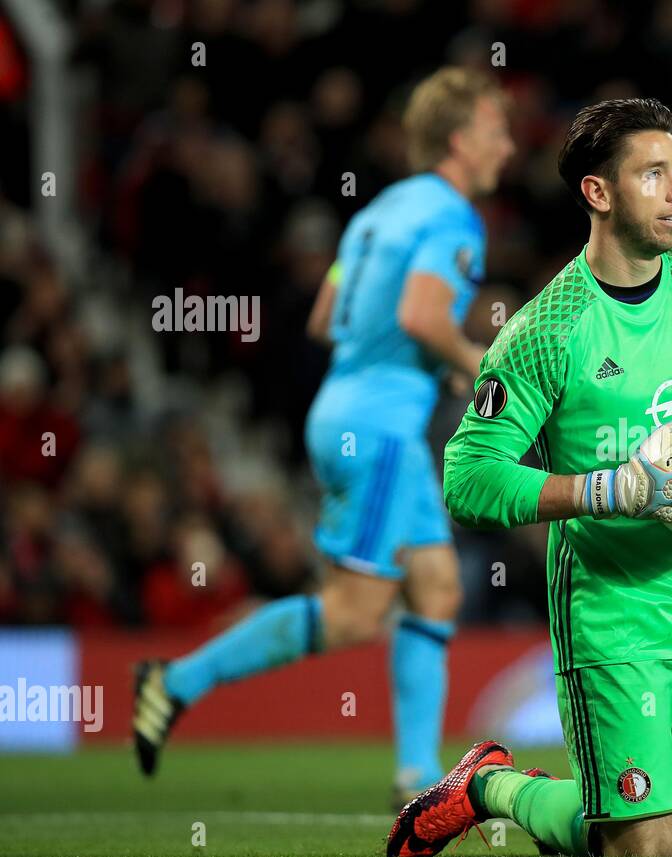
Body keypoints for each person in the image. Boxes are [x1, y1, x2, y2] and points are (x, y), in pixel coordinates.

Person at [386, 97, 672, 857]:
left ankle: (603, 797)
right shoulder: (546, 329)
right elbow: (468, 477)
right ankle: (490, 784)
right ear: (599, 192)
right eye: (653, 173)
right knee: (643, 850)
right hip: (612, 616)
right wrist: (612, 489)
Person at [132, 68, 515, 805]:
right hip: (379, 430)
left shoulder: (374, 215)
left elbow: (325, 317)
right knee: (353, 613)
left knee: (436, 585)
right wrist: (475, 365)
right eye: (498, 130)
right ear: (463, 139)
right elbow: (422, 317)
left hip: (345, 409)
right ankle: (175, 681)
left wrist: (410, 362)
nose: (508, 145)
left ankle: (415, 779)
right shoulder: (453, 219)